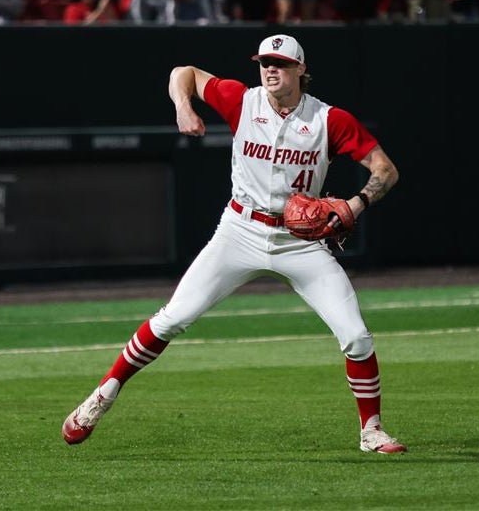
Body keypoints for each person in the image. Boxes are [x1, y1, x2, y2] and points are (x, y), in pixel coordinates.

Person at [61, 34, 407, 455]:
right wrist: (183, 106)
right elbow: (182, 73)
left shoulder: (328, 120)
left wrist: (357, 203)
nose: (269, 69)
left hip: (300, 242)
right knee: (172, 318)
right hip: (240, 230)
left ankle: (371, 430)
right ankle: (102, 396)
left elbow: (385, 169)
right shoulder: (243, 101)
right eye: (264, 62)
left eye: (279, 62)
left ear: (301, 69)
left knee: (355, 336)